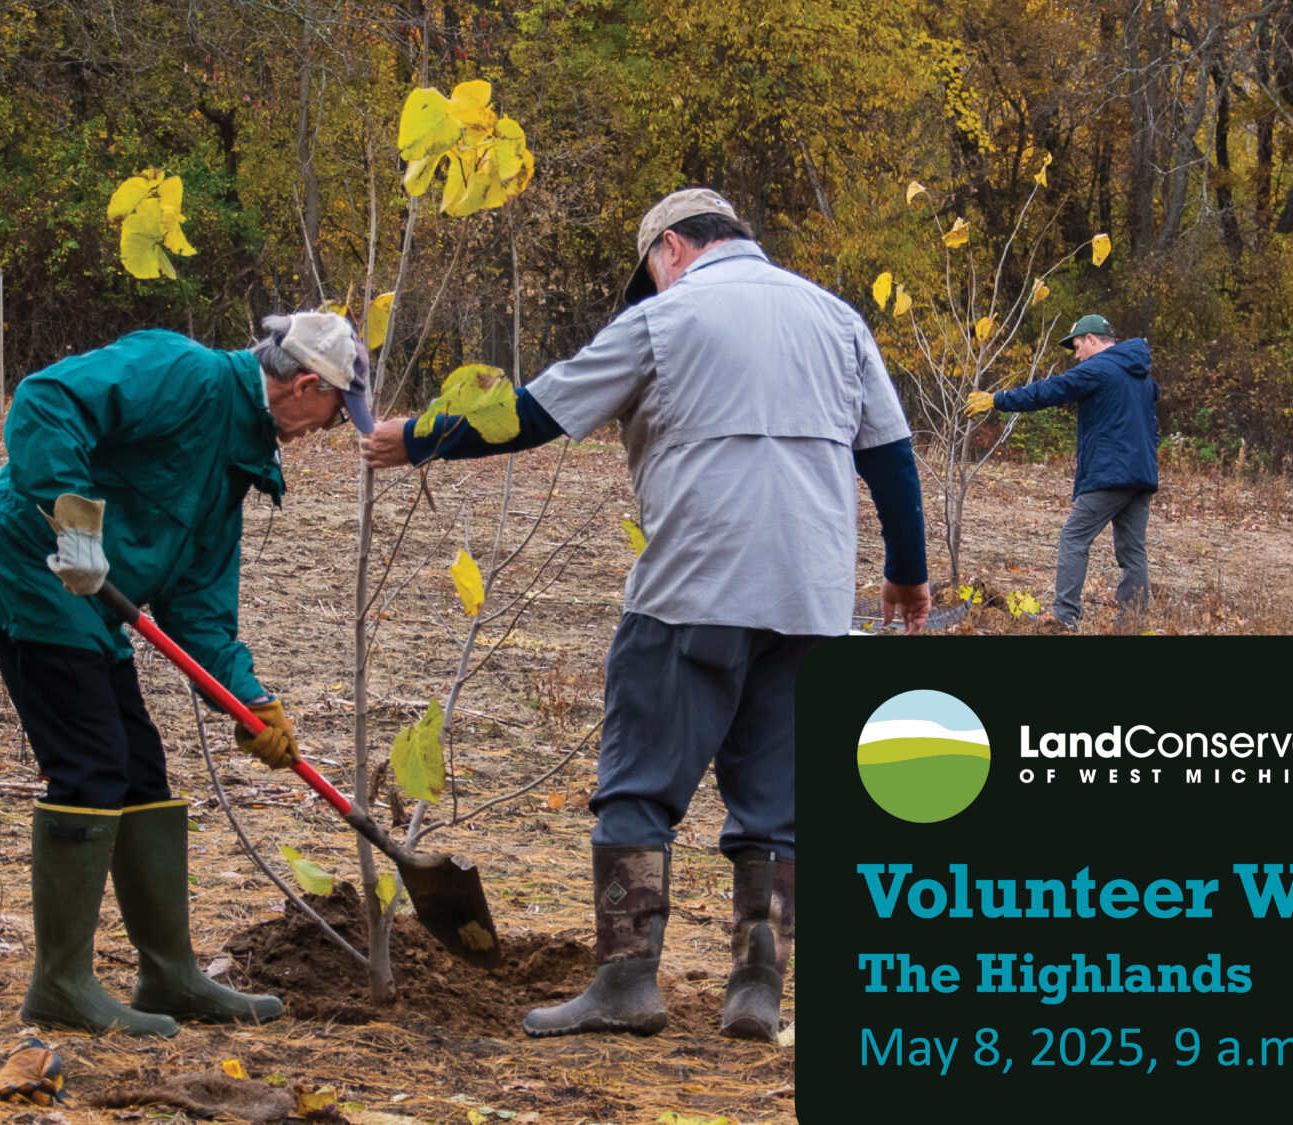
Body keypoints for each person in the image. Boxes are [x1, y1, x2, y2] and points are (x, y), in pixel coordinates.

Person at [361, 187, 932, 1042]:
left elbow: (532, 413)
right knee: (776, 801)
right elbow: (890, 457)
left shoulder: (668, 321)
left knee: (639, 784)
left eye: (651, 273)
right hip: (812, 597)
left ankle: (627, 983)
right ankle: (756, 988)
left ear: (670, 247)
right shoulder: (838, 320)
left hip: (693, 589)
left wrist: (414, 438)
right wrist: (907, 575)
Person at [0, 312, 372, 1036]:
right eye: (336, 413)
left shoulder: (237, 458)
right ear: (307, 384)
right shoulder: (181, 373)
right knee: (92, 763)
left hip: (93, 598)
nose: (328, 429)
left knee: (141, 768)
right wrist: (75, 519)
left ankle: (169, 975)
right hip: (32, 566)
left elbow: (200, 610)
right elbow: (47, 400)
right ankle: (59, 984)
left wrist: (252, 701)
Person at [963, 313, 1159, 630]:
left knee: (1074, 537)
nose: (1077, 354)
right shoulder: (1142, 377)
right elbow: (1152, 428)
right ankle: (1133, 622)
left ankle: (1065, 615)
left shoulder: (1098, 368)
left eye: (1078, 345)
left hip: (1110, 473)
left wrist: (998, 400)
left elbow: (1052, 390)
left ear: (1093, 340)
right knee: (1132, 551)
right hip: (1142, 476)